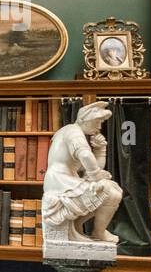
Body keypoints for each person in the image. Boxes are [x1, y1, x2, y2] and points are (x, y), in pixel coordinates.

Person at [41, 102, 123, 243]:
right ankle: (99, 232)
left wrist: (100, 150)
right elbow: (86, 157)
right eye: (97, 122)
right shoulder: (73, 130)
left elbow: (90, 167)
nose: (99, 127)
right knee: (111, 192)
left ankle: (85, 228)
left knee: (111, 191)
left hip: (67, 180)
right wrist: (97, 175)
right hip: (60, 182)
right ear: (85, 119)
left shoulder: (73, 132)